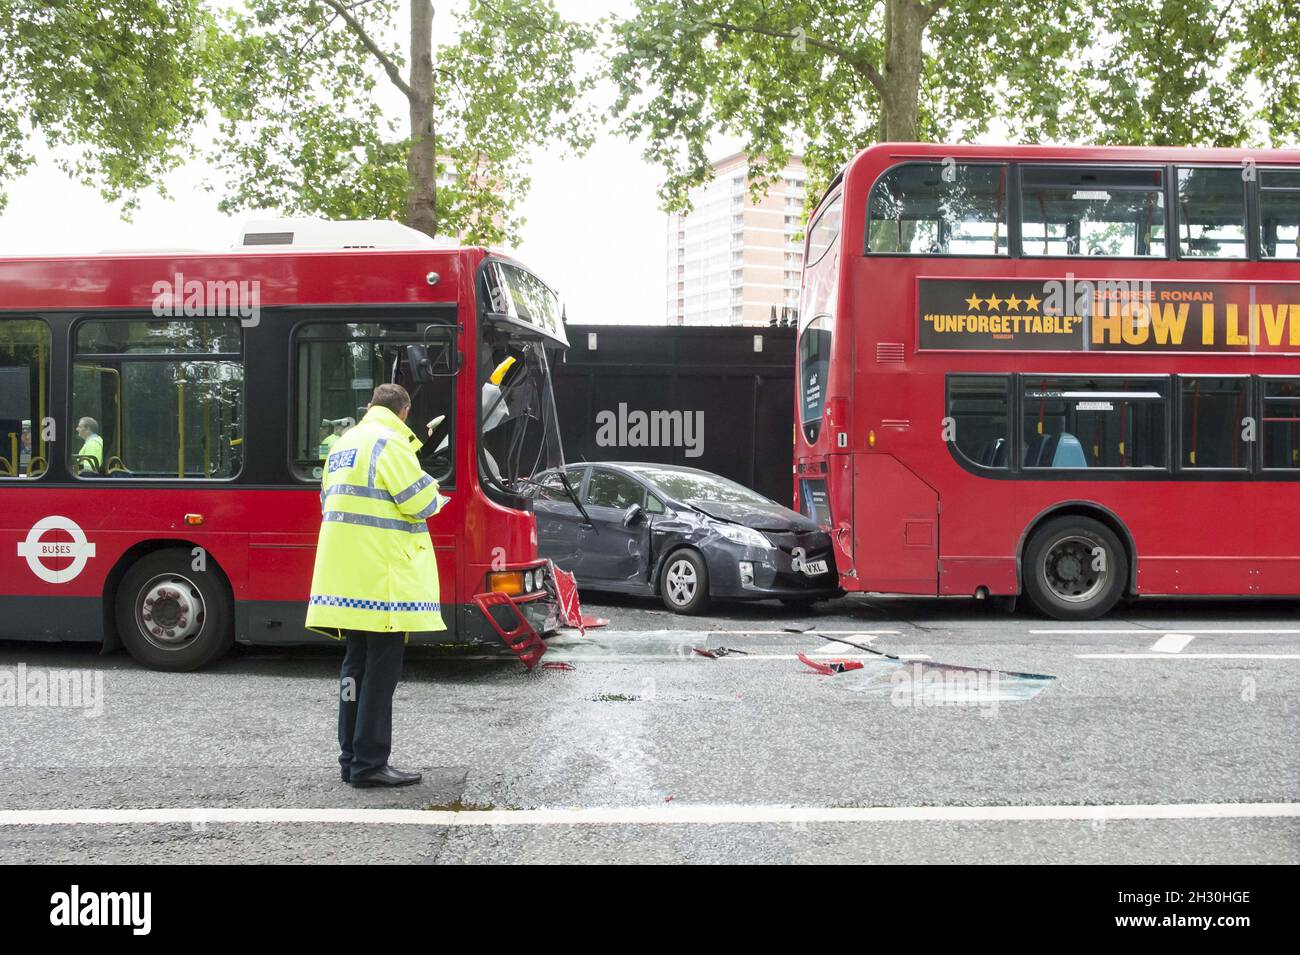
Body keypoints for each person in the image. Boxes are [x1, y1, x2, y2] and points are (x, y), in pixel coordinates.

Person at [305, 384, 447, 788]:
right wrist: (434, 491)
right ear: (403, 412)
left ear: (372, 407)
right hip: (381, 580)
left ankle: (350, 758)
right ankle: (370, 763)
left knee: (354, 668)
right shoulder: (392, 442)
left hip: (345, 579)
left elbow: (327, 501)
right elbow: (420, 503)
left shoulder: (342, 444)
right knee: (381, 674)